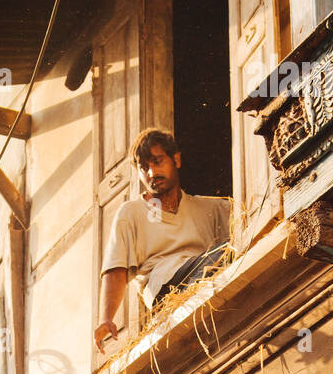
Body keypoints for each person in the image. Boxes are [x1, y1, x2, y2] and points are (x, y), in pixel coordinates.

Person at [94, 128, 231, 354]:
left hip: (204, 276)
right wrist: (106, 318)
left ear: (176, 159)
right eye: (143, 167)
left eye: (157, 162)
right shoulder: (131, 213)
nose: (151, 173)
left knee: (226, 253)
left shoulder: (209, 208)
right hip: (167, 289)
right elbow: (115, 270)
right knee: (221, 256)